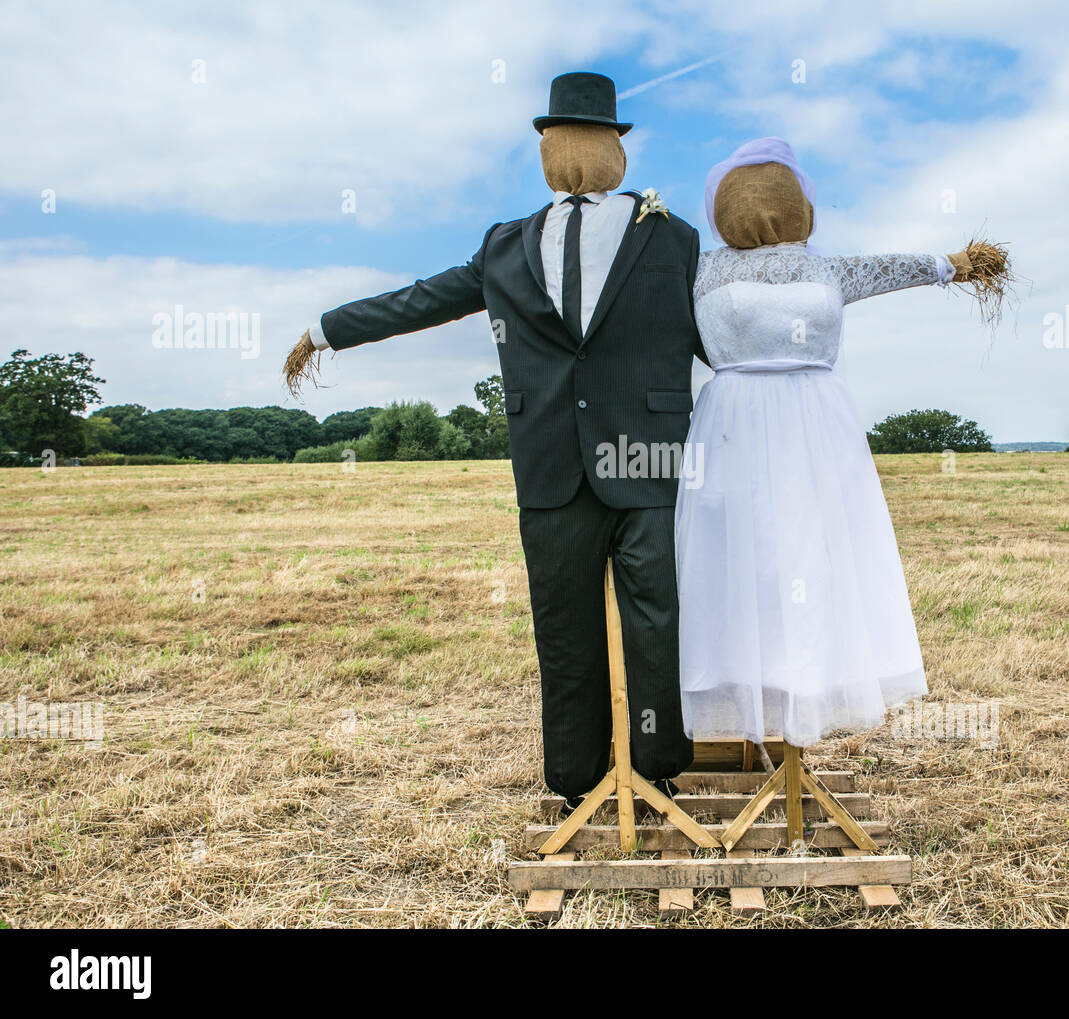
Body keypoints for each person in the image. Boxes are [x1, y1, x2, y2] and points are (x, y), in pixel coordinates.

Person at [284, 72, 707, 810]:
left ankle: (656, 759)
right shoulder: (506, 245)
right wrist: (326, 329)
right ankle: (577, 776)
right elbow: (422, 299)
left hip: (649, 457)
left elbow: (718, 325)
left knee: (656, 619)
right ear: (550, 151)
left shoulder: (671, 236)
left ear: (615, 148)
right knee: (564, 627)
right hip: (549, 464)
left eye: (589, 138)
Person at [675, 137, 1009, 747]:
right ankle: (747, 693)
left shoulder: (759, 271)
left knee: (808, 556)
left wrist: (953, 264)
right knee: (742, 558)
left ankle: (803, 687)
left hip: (808, 430)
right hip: (739, 427)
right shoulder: (697, 272)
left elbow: (896, 267)